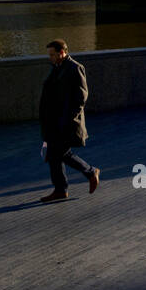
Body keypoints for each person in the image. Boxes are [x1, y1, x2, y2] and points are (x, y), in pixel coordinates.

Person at [38, 39, 99, 202]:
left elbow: (81, 98)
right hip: (54, 121)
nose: (50, 57)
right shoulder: (57, 68)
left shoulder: (75, 68)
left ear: (62, 53)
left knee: (61, 152)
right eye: (49, 54)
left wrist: (67, 119)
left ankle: (91, 172)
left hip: (66, 122)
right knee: (53, 154)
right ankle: (60, 189)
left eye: (52, 54)